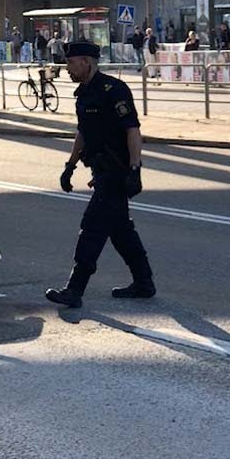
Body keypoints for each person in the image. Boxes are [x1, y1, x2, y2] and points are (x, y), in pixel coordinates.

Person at [47, 41, 153, 308]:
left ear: (86, 62)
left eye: (71, 63)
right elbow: (83, 132)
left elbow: (132, 130)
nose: (67, 68)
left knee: (92, 228)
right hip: (100, 170)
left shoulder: (114, 90)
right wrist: (69, 166)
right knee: (120, 231)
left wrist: (135, 169)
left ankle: (74, 289)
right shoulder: (83, 94)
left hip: (116, 173)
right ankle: (144, 282)